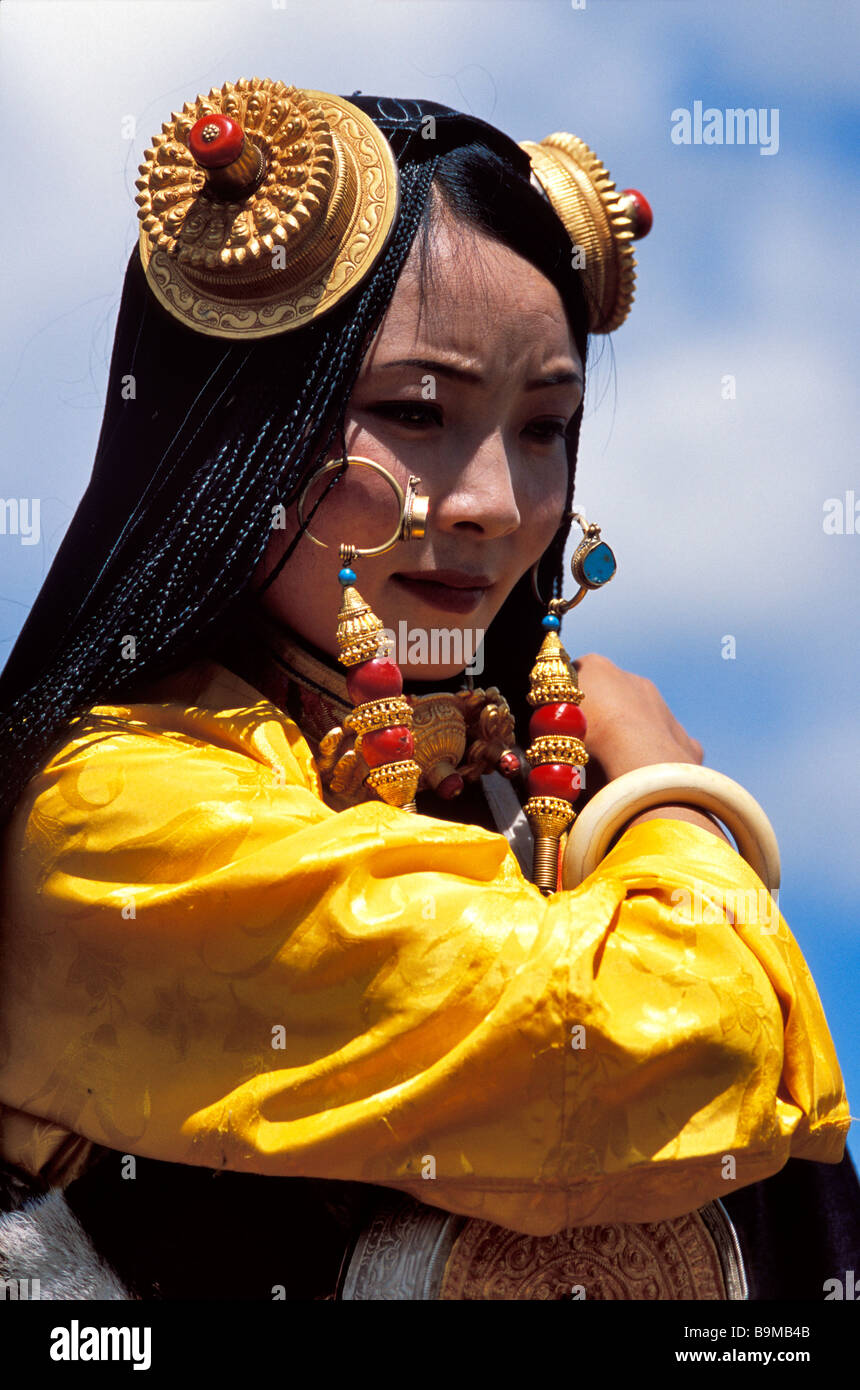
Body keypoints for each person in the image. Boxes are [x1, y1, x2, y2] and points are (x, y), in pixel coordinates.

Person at [0, 80, 856, 1301]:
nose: (494, 506)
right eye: (413, 411)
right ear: (239, 425)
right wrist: (675, 799)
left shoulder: (513, 787)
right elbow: (679, 1040)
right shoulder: (115, 820)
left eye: (546, 427)